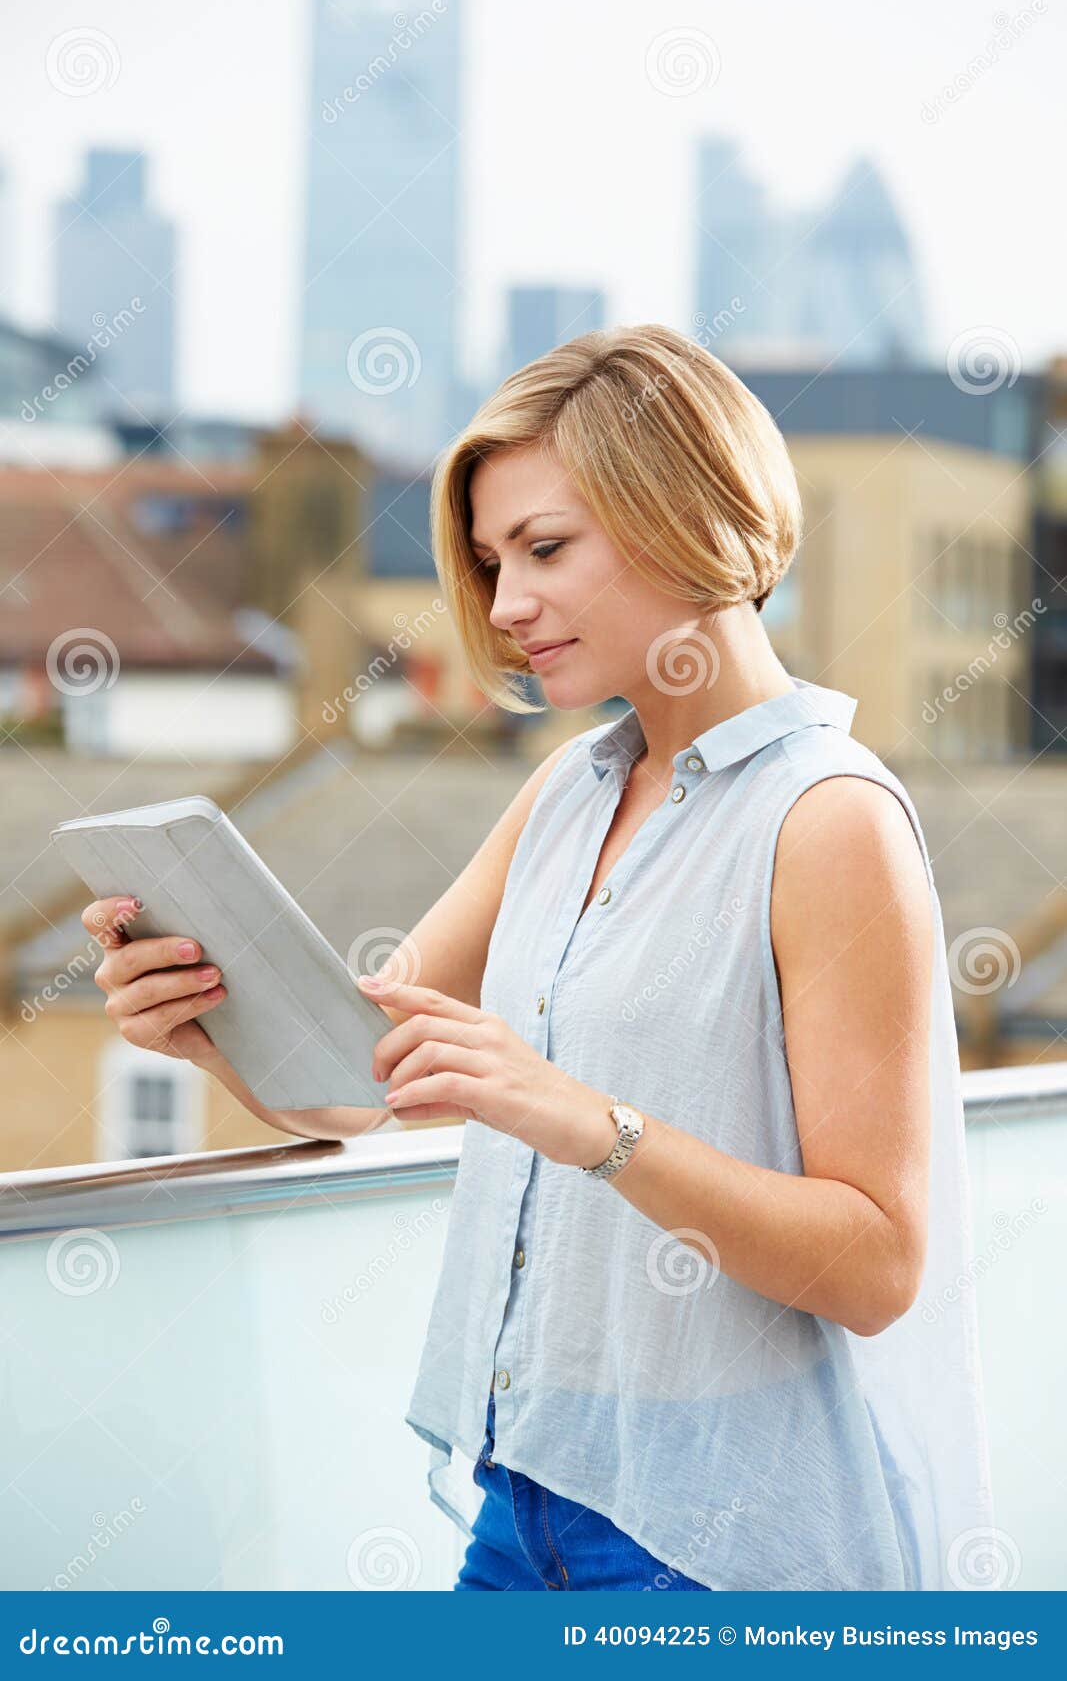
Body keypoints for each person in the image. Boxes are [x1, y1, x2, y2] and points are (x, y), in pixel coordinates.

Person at [85, 324, 992, 1592]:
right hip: (528, 1502)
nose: (505, 606)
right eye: (489, 561)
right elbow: (360, 1082)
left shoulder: (827, 818)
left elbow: (876, 1263)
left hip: (716, 1543)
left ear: (685, 516)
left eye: (545, 548)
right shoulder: (569, 790)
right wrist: (203, 1022)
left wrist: (583, 1121)